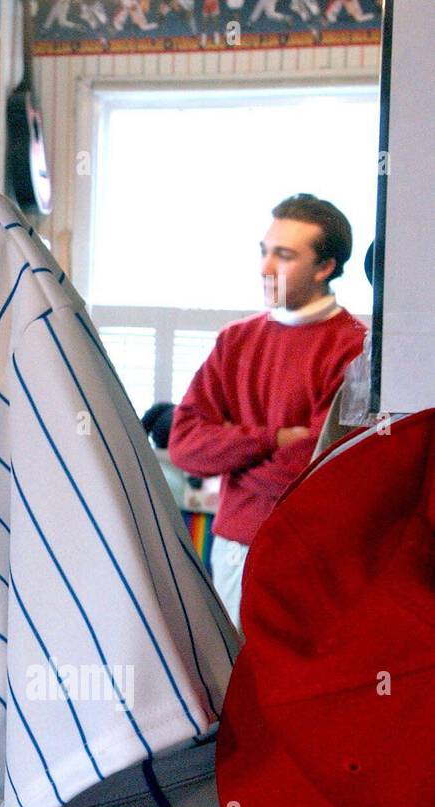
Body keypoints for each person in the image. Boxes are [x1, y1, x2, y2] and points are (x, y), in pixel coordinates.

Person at [169, 194, 366, 631]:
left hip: (306, 553)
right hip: (232, 549)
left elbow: (316, 470)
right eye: (264, 251)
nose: (265, 268)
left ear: (325, 267)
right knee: (233, 682)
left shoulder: (355, 346)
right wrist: (274, 440)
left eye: (284, 255)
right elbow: (183, 444)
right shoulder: (234, 340)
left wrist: (232, 457)